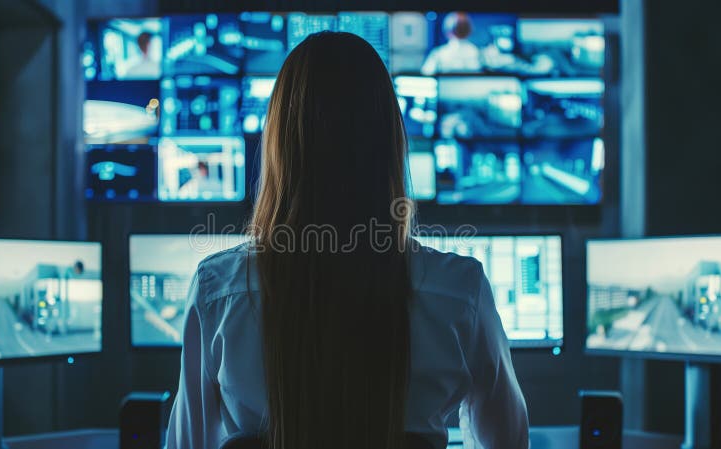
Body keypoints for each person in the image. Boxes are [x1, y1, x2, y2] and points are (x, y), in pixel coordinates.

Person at [166, 32, 528, 449]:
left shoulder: (218, 292)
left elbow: (188, 443)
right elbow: (509, 441)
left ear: (279, 146)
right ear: (390, 144)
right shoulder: (459, 291)